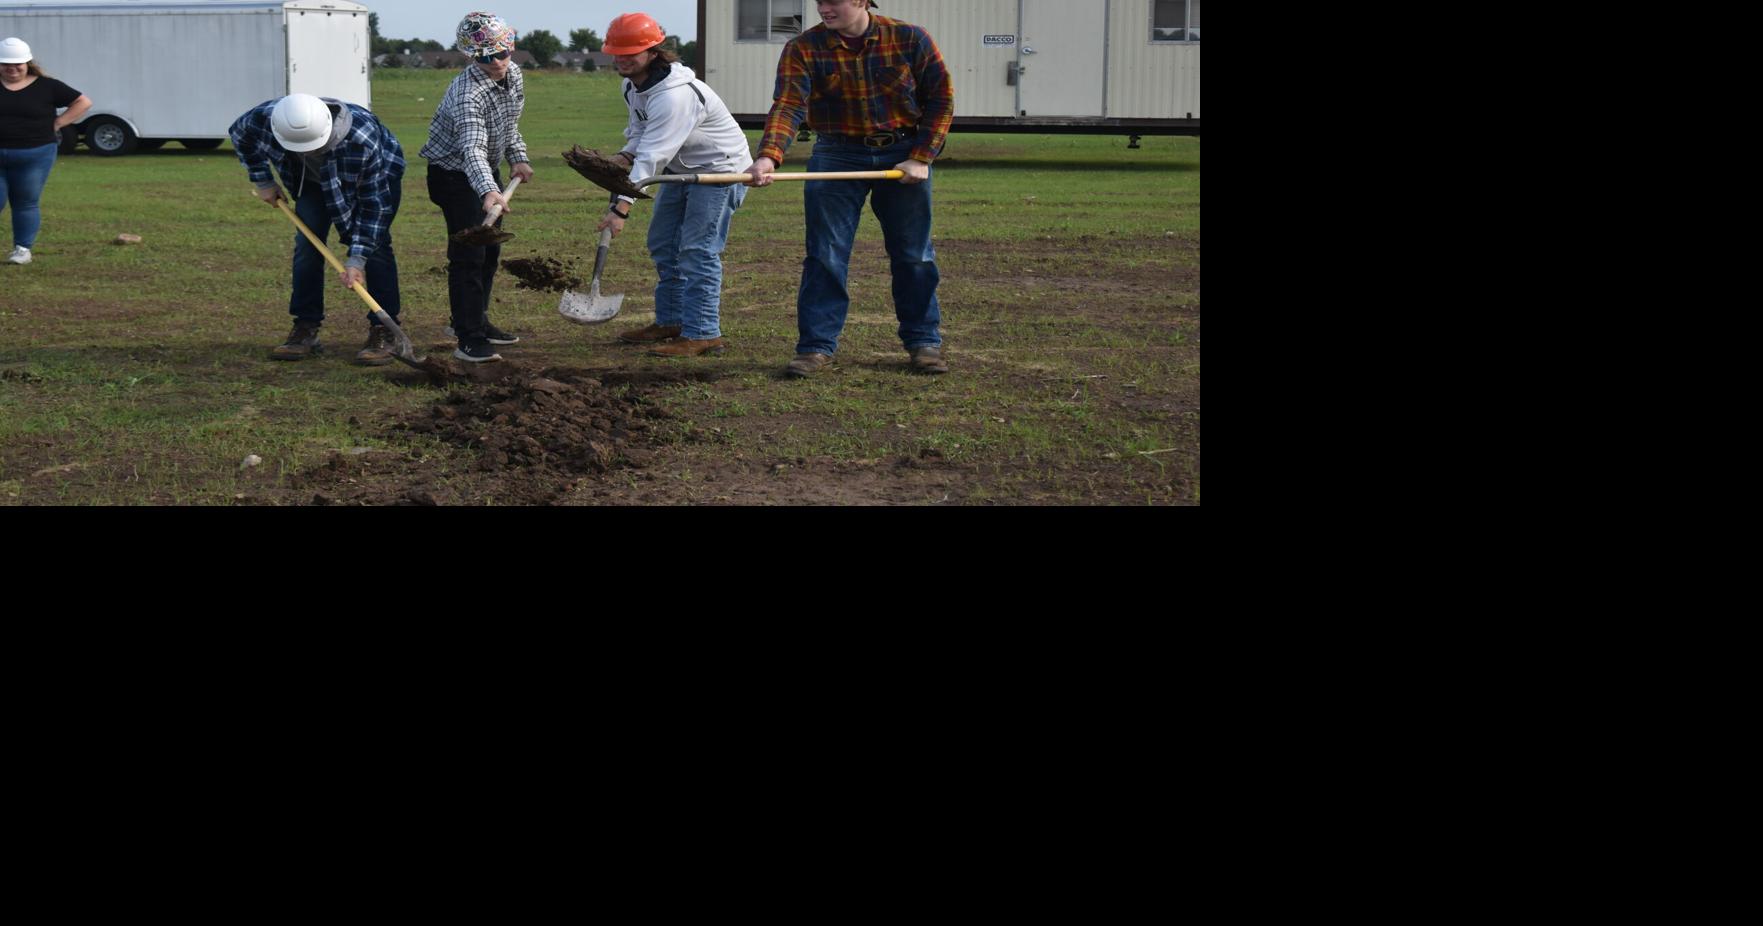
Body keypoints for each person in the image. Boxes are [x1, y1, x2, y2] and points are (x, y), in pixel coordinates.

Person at [747, 0, 954, 377]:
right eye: (819, 2)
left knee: (914, 254)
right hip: (836, 153)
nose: (823, 8)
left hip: (902, 153)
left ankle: (924, 342)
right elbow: (789, 104)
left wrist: (922, 156)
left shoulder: (910, 38)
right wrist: (768, 157)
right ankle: (815, 348)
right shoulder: (803, 48)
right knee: (825, 253)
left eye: (833, 1)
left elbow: (941, 98)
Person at [599, 13, 752, 357]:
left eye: (631, 53)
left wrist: (620, 208)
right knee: (664, 244)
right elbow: (640, 133)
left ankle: (703, 333)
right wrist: (622, 156)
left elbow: (652, 157)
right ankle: (672, 321)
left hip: (719, 171)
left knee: (698, 250)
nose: (623, 60)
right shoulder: (632, 85)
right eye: (617, 52)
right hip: (680, 169)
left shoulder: (675, 96)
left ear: (653, 51)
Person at [229, 93, 406, 364]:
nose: (305, 153)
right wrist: (263, 181)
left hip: (374, 178)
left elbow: (374, 208)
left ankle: (384, 329)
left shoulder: (361, 140)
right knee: (308, 247)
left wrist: (356, 259)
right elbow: (240, 136)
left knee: (377, 247)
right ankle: (305, 327)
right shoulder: (264, 118)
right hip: (311, 184)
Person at [420, 11, 533, 364]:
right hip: (453, 175)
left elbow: (508, 124)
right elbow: (472, 148)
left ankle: (475, 321)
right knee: (468, 256)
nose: (498, 63)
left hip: (486, 172)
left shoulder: (513, 75)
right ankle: (467, 340)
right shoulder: (467, 94)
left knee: (490, 252)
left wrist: (517, 157)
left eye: (503, 53)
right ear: (472, 56)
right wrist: (488, 191)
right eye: (487, 58)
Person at [0, 37, 92, 266]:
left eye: (17, 64)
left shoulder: (48, 86)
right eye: (5, 64)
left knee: (26, 202)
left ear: (27, 62)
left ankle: (22, 249)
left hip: (35, 154)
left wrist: (59, 123)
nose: (12, 69)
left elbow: (82, 102)